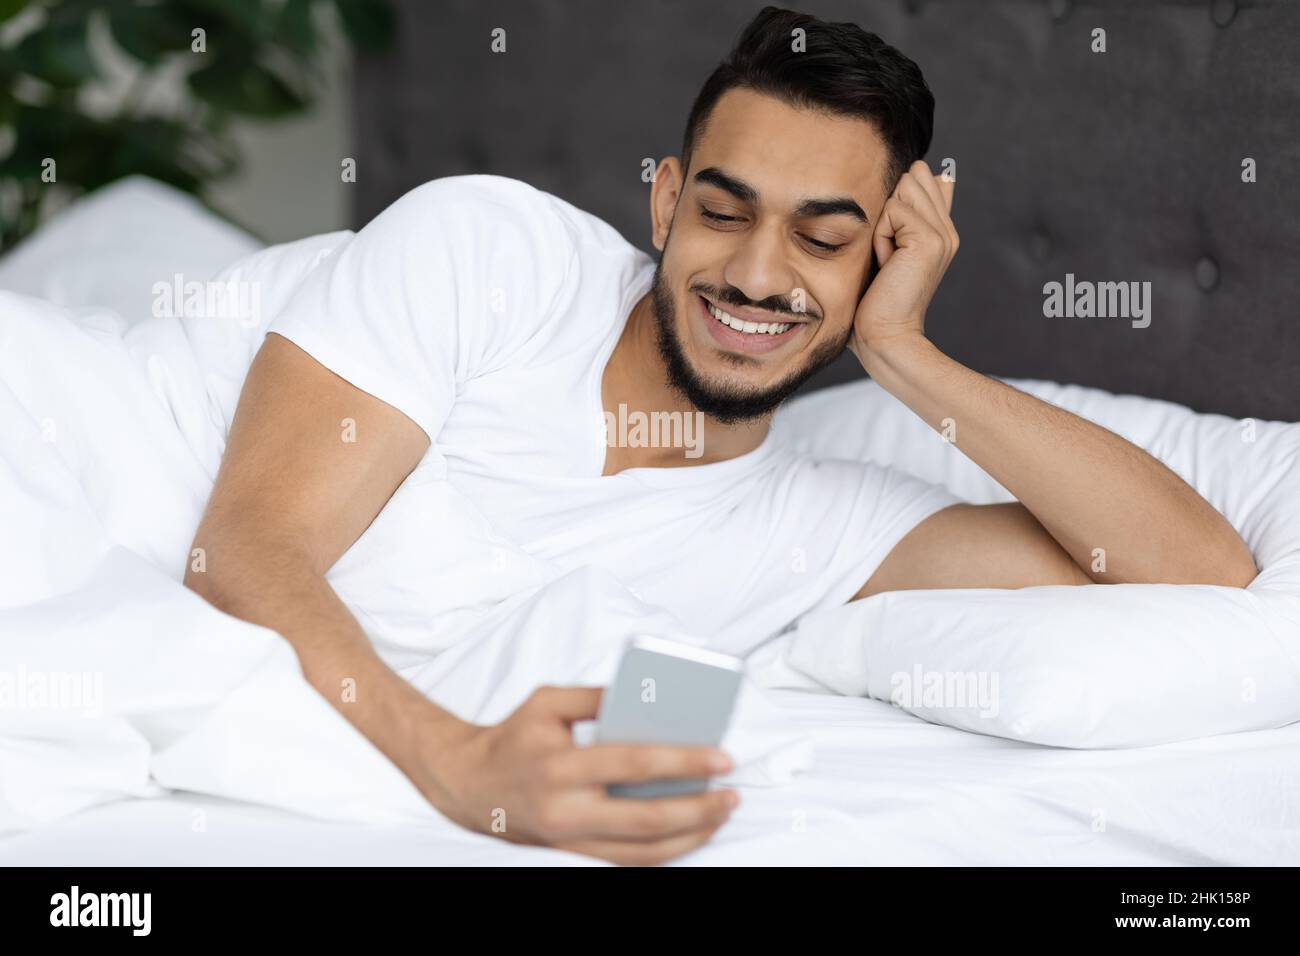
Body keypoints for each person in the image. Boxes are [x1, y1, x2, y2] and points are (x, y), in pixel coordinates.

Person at [184, 6, 1256, 865]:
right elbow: (243, 544)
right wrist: (459, 766)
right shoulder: (490, 248)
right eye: (724, 212)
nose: (752, 274)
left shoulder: (813, 530)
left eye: (824, 239)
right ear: (663, 204)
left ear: (884, 258)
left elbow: (1197, 568)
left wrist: (903, 353)